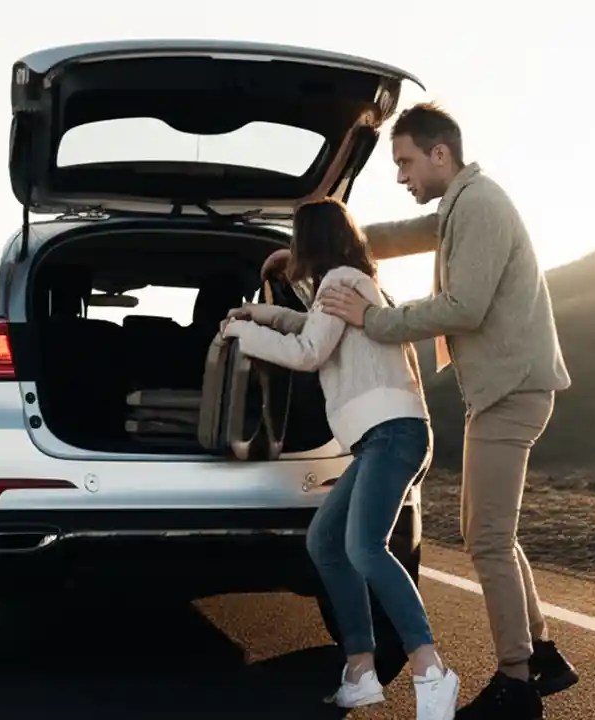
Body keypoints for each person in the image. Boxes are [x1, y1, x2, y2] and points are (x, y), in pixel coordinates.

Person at [317, 102, 578, 720]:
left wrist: (373, 319)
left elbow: (464, 307)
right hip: (498, 392)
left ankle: (517, 684)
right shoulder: (460, 206)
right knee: (492, 536)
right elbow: (398, 237)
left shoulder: (480, 203)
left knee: (486, 541)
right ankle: (541, 654)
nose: (401, 175)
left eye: (405, 161)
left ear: (441, 154)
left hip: (511, 391)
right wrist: (314, 247)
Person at [221, 198, 459, 720]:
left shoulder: (341, 282)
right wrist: (259, 313)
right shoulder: (345, 282)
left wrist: (242, 332)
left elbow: (307, 354)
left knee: (365, 547)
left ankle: (431, 669)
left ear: (311, 241)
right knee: (326, 541)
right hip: (387, 435)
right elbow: (311, 328)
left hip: (391, 434)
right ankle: (359, 669)